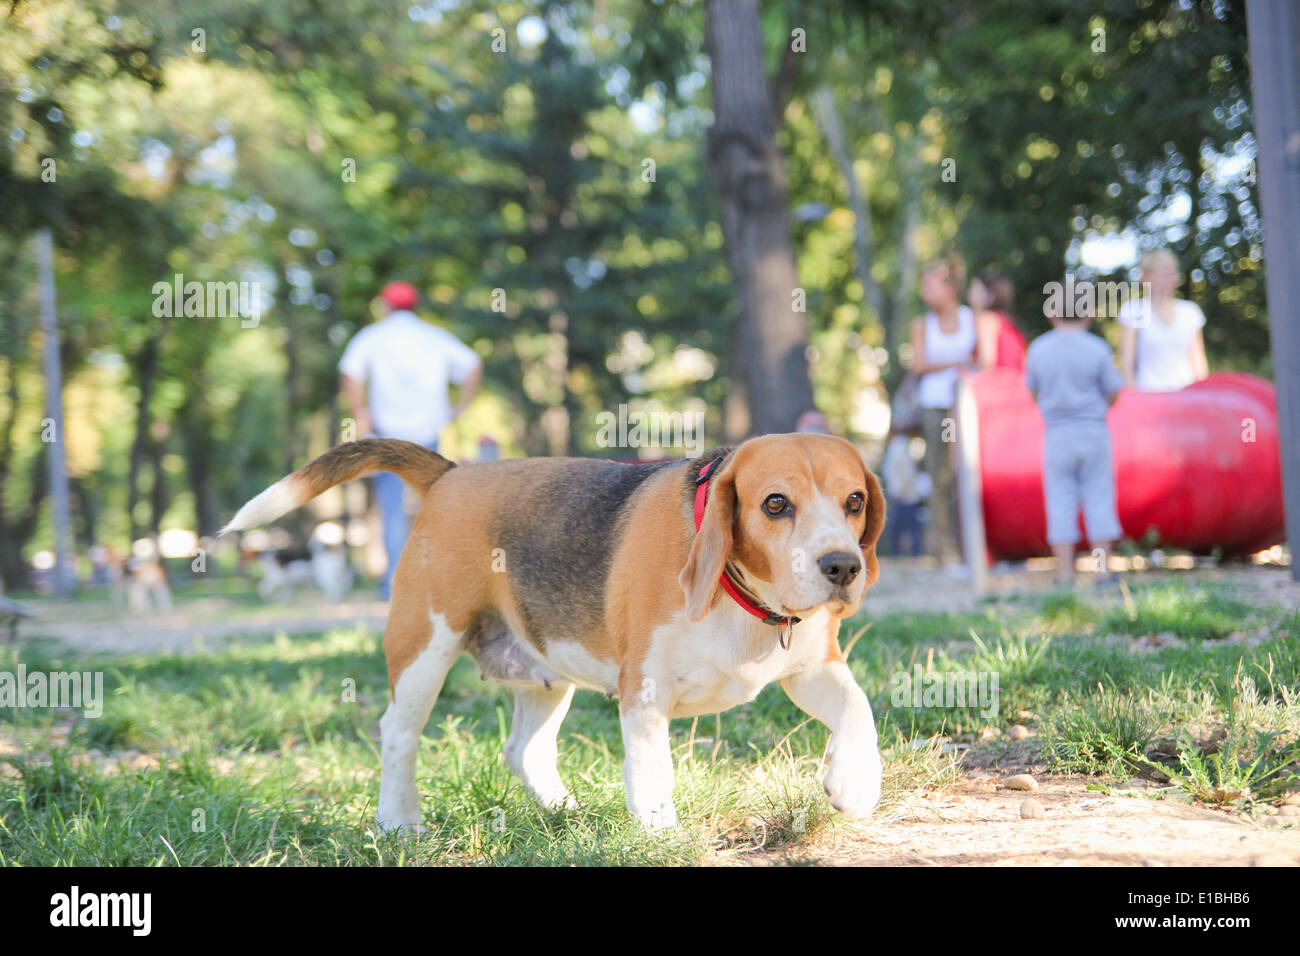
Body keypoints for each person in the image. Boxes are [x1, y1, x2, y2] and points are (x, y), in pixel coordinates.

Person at [339, 281, 482, 599]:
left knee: (391, 508)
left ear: (385, 305)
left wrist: (361, 412)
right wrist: (460, 406)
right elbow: (473, 365)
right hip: (427, 434)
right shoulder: (434, 336)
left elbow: (350, 373)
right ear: (414, 305)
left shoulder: (372, 337)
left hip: (387, 435)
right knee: (432, 506)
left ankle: (394, 583)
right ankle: (434, 580)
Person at [1024, 288, 1125, 587]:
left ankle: (1066, 573)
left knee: (1060, 501)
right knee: (1098, 498)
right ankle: (1101, 571)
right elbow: (1114, 389)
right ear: (1088, 315)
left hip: (1057, 435)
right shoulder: (1097, 348)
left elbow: (1032, 391)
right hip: (1094, 431)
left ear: (1052, 314)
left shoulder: (1038, 349)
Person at [908, 254, 975, 569]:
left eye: (930, 285)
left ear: (950, 287)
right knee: (940, 477)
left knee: (968, 473)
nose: (925, 293)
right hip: (934, 407)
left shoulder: (972, 318)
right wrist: (959, 362)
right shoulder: (922, 324)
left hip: (969, 405)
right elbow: (919, 364)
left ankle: (974, 545)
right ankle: (945, 551)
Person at [1116, 249, 1209, 391]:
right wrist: (1131, 397)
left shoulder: (1190, 312)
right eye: (1163, 272)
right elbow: (1126, 363)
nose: (1170, 277)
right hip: (1148, 397)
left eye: (1173, 272)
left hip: (1187, 397)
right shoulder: (1133, 310)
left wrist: (1204, 393)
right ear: (1146, 277)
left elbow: (1198, 361)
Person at [881, 428, 931, 558]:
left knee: (903, 527)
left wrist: (901, 488)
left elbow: (900, 470)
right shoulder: (900, 447)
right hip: (906, 493)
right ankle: (910, 553)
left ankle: (903, 553)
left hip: (905, 494)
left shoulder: (899, 447)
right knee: (909, 527)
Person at [969, 268, 1027, 371]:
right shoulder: (1009, 322)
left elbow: (986, 362)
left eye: (976, 289)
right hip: (1017, 383)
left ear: (991, 296)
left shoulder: (986, 320)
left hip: (996, 384)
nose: (970, 294)